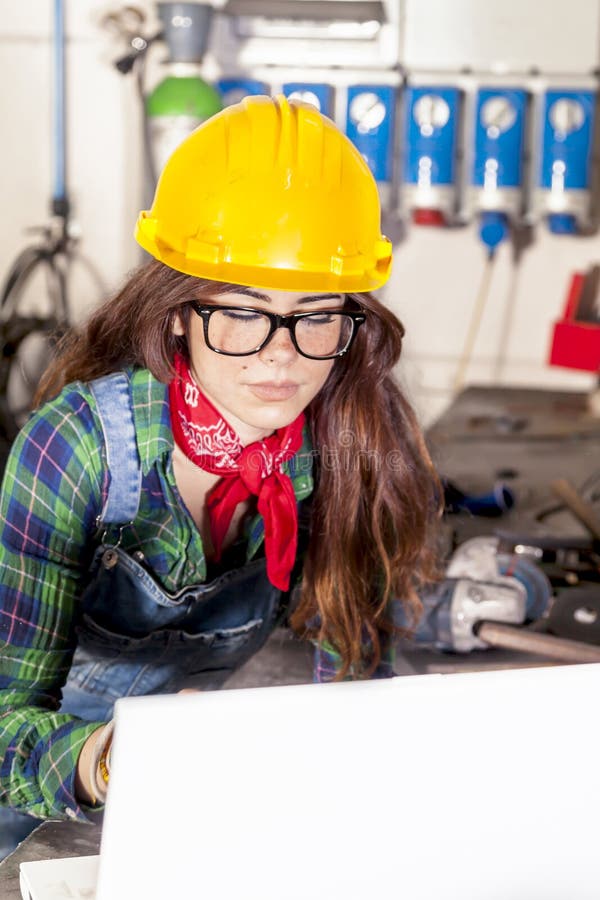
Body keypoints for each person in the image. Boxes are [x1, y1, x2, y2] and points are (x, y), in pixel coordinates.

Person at [0, 95, 548, 857]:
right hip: (38, 798)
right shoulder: (79, 449)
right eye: (243, 312)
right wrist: (110, 761)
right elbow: (2, 726)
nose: (281, 356)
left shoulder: (343, 441)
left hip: (204, 791)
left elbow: (348, 644)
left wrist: (430, 602)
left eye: (316, 313)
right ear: (178, 314)